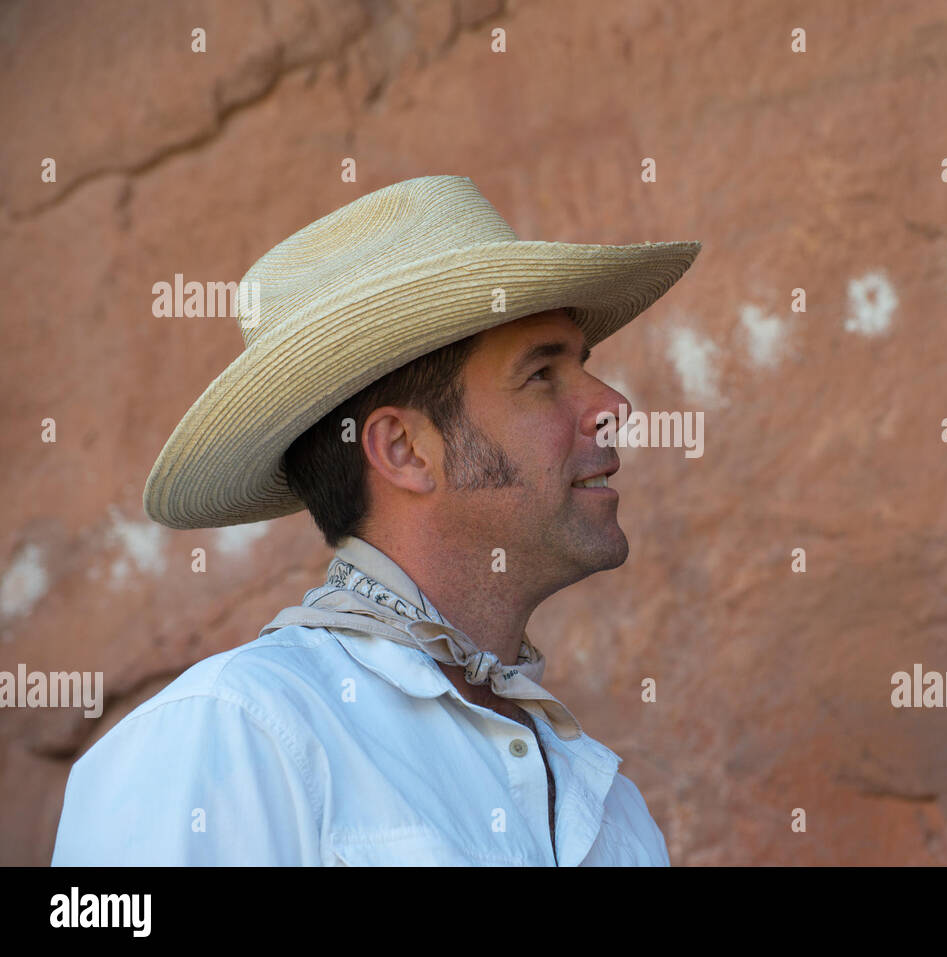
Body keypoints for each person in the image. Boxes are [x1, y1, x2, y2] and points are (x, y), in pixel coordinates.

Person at [50, 175, 702, 865]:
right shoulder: (232, 732)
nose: (612, 404)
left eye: (582, 366)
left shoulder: (605, 805)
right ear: (404, 451)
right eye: (542, 374)